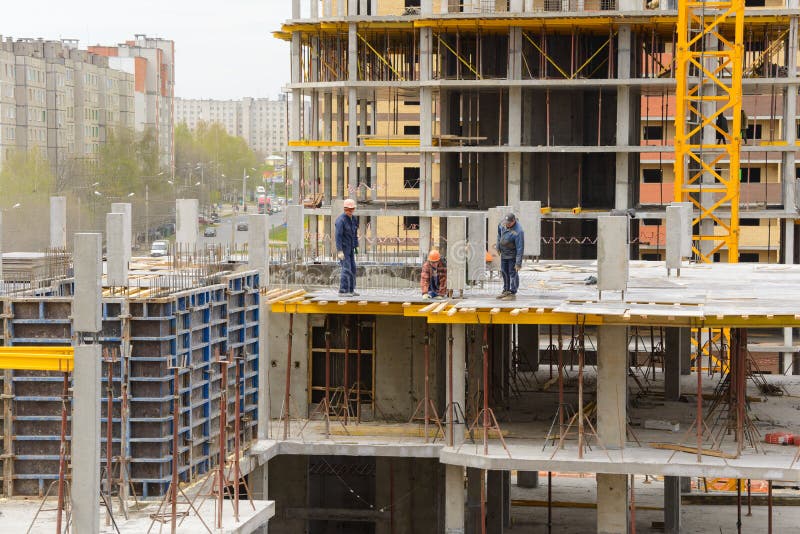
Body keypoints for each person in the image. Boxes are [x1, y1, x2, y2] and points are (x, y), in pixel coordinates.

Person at [495, 213, 524, 299]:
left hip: (512, 255)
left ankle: (513, 291)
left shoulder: (518, 231)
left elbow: (520, 248)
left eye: (509, 223)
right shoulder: (502, 224)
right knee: (504, 272)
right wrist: (498, 246)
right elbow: (499, 235)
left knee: (512, 273)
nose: (507, 224)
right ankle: (506, 290)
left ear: (513, 221)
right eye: (506, 222)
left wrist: (518, 263)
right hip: (504, 253)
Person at [335, 198, 359, 296]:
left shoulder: (353, 219)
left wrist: (355, 246)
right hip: (344, 249)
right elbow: (338, 236)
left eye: (351, 209)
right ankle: (343, 291)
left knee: (353, 268)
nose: (350, 211)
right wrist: (339, 250)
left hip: (351, 248)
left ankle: (351, 290)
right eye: (348, 209)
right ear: (345, 209)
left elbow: (354, 233)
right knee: (346, 268)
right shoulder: (340, 220)